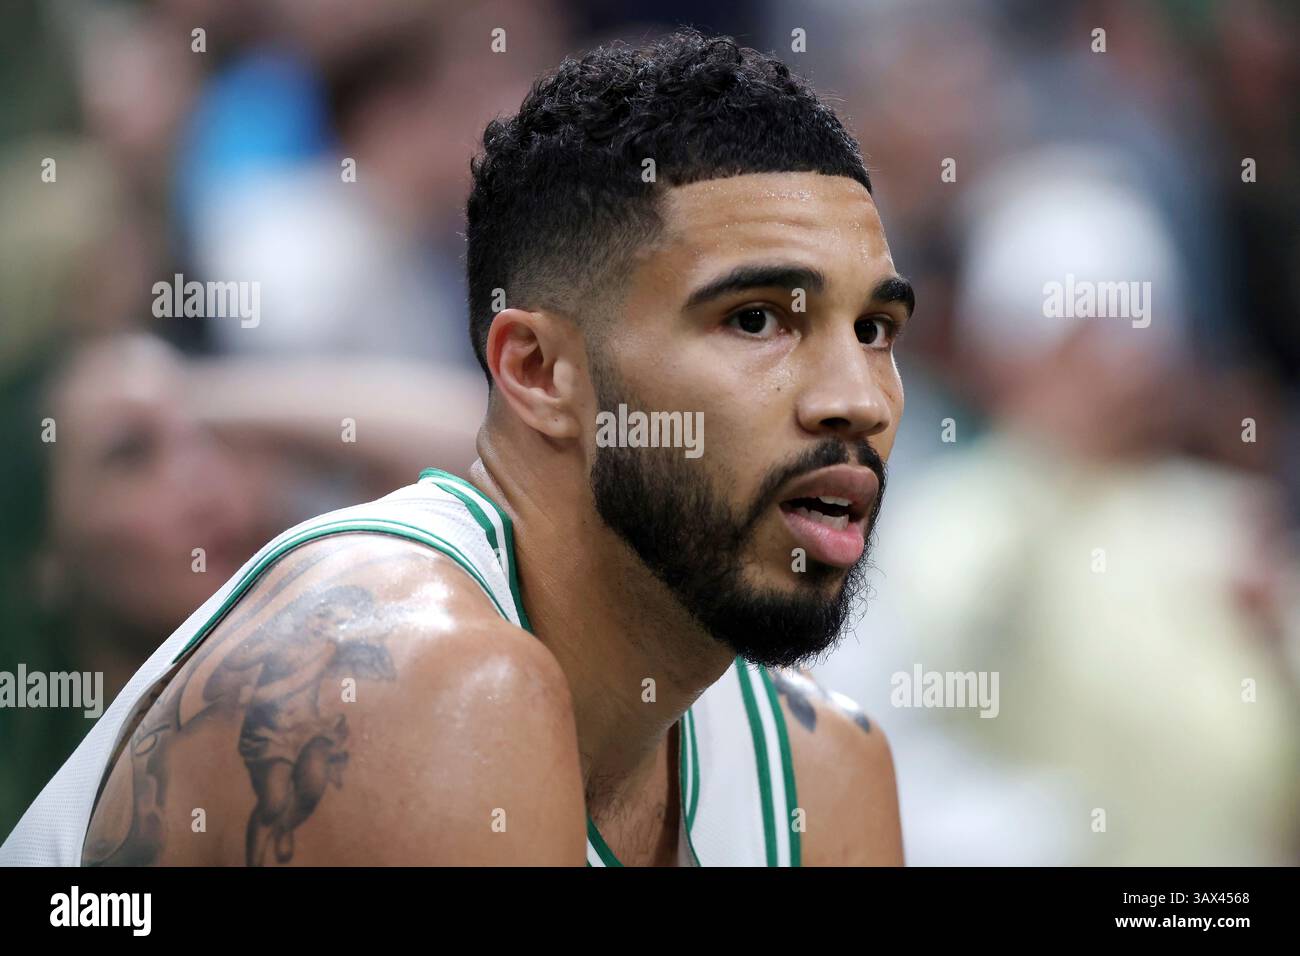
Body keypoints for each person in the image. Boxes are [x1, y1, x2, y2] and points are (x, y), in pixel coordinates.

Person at [2, 29, 906, 867]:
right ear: (539, 371)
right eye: (756, 320)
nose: (856, 400)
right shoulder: (421, 688)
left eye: (874, 329)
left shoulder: (827, 767)